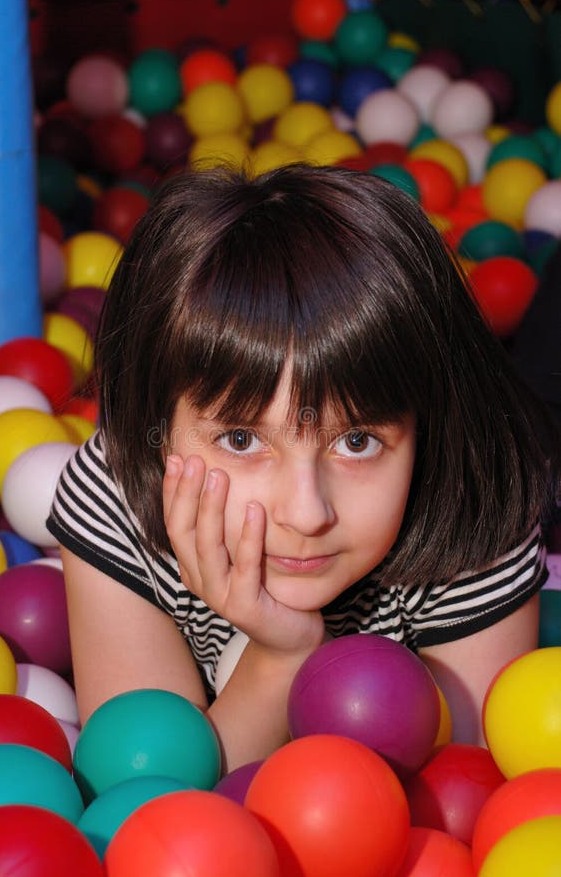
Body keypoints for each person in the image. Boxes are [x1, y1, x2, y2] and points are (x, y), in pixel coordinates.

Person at [47, 164, 558, 773]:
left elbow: (461, 789)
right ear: (153, 423)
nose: (306, 512)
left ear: (427, 430)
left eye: (359, 442)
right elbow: (154, 800)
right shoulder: (115, 501)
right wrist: (282, 654)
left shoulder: (472, 507)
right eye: (241, 438)